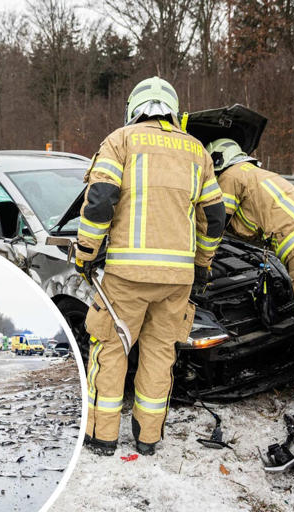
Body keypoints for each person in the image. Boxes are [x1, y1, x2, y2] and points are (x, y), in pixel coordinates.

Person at [75, 76, 226, 456]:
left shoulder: (121, 140)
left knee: (110, 349)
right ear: (174, 110)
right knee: (160, 355)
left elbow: (100, 201)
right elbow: (215, 216)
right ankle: (148, 439)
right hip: (177, 279)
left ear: (134, 107)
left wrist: (86, 253)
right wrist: (203, 264)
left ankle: (102, 437)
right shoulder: (197, 151)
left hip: (128, 275)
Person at [206, 138, 294, 377]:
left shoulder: (230, 176)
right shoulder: (258, 173)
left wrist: (200, 259)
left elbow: (216, 222)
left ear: (217, 162)